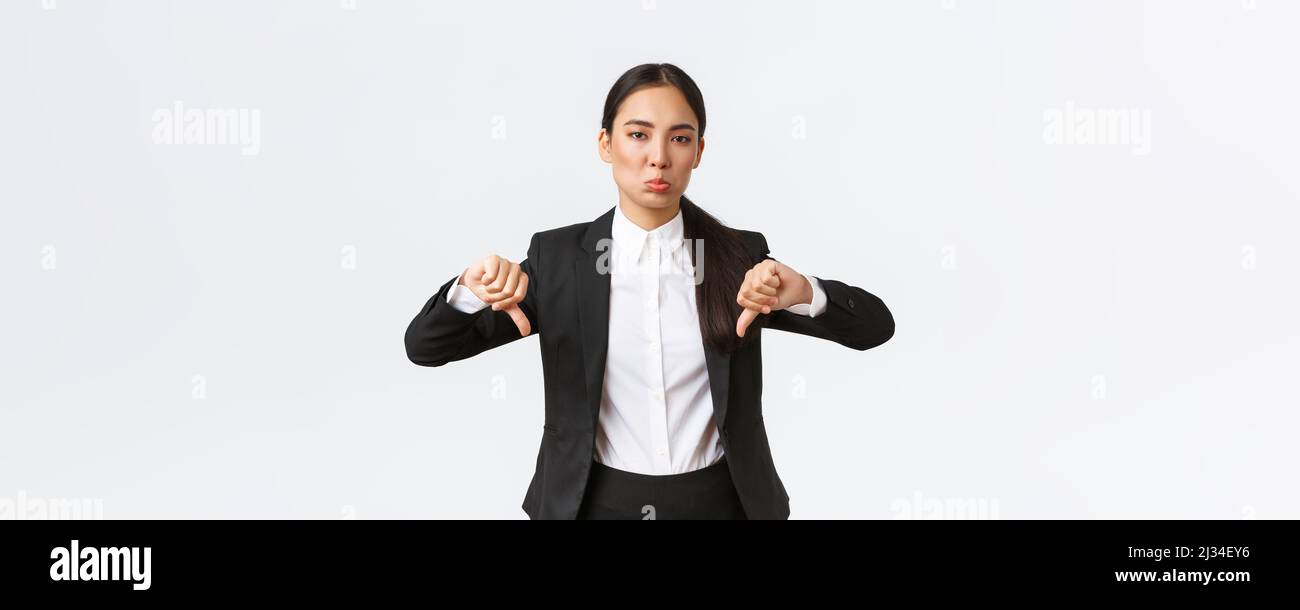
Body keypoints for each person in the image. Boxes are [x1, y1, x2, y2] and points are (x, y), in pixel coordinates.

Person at [404, 63, 894, 519]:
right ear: (605, 143)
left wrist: (806, 291)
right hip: (592, 505)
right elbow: (426, 348)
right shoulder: (558, 262)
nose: (658, 158)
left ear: (698, 152)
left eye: (679, 139)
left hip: (723, 505)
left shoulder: (739, 259)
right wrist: (468, 290)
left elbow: (875, 327)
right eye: (638, 134)